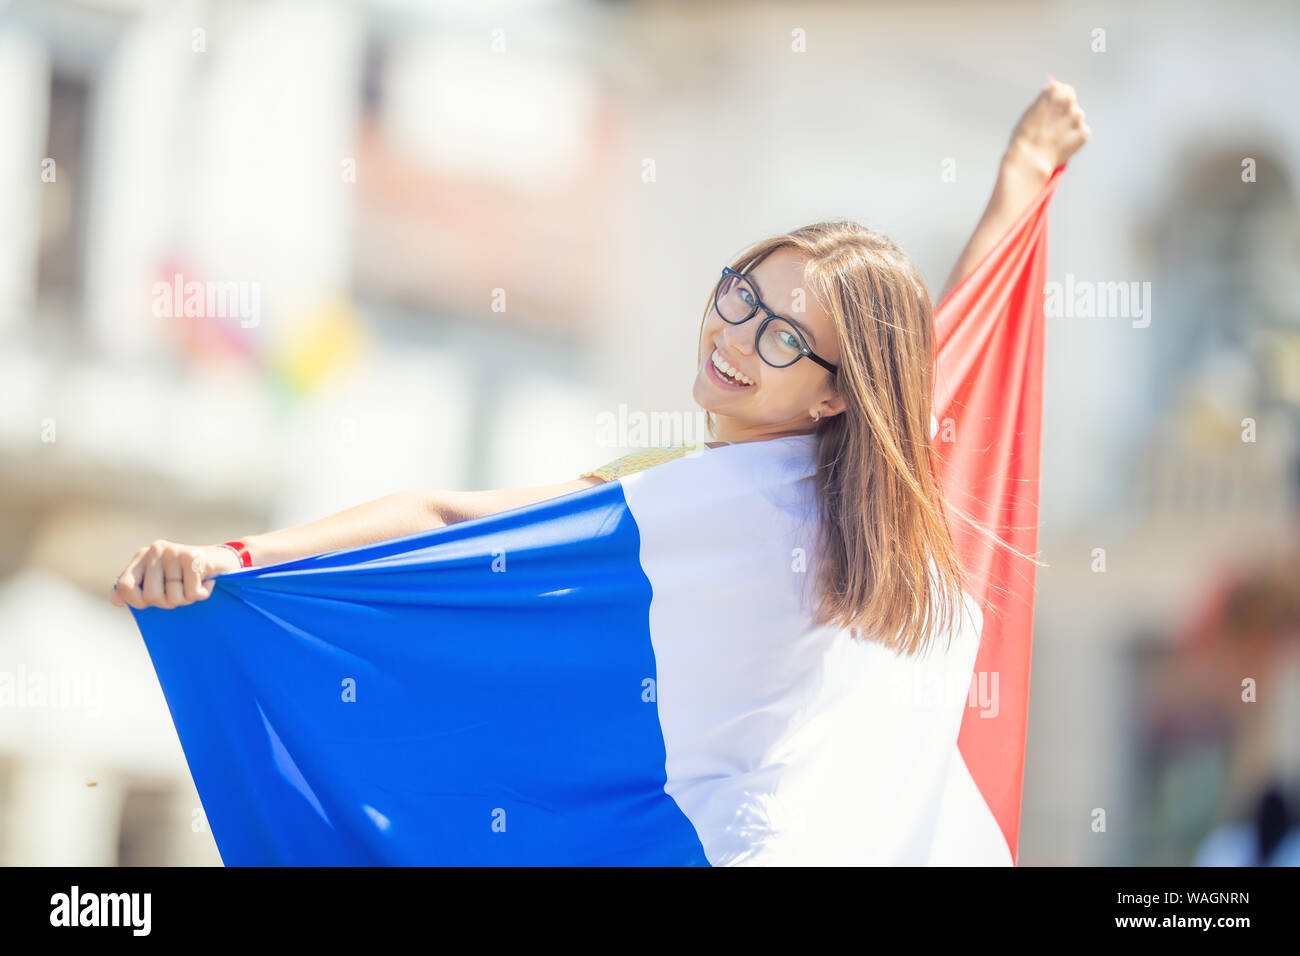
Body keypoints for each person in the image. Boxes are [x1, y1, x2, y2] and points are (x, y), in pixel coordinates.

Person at [111, 78, 1090, 635]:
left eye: (783, 336)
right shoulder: (753, 488)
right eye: (740, 294)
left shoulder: (727, 502)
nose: (735, 335)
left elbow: (932, 356)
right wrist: (237, 558)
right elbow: (447, 515)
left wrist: (234, 561)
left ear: (838, 397)